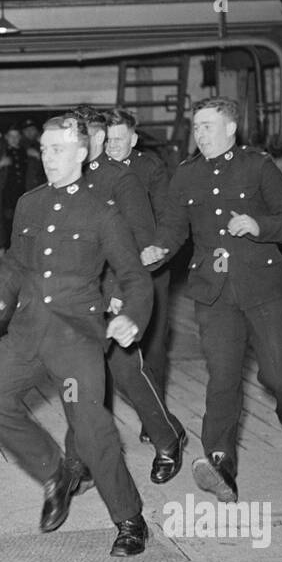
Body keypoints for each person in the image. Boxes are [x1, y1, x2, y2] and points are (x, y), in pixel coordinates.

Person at [0, 114, 153, 558]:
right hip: (28, 329)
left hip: (76, 335)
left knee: (92, 430)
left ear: (81, 152)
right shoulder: (31, 203)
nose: (48, 159)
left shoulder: (102, 212)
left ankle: (130, 520)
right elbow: (16, 261)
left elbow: (135, 277)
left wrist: (131, 317)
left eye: (57, 150)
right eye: (44, 150)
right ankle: (56, 471)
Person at [141, 97, 282, 502]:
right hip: (213, 291)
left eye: (207, 126)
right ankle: (220, 463)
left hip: (263, 288)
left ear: (231, 129)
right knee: (222, 378)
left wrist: (259, 224)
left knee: (279, 376)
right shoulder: (185, 175)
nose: (199, 134)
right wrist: (159, 250)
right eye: (196, 126)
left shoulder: (257, 166)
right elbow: (173, 227)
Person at [60, 107, 185, 486]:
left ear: (96, 139)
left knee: (127, 373)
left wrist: (117, 297)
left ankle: (168, 438)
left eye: (77, 137)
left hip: (113, 294)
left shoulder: (122, 180)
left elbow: (140, 243)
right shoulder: (67, 180)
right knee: (80, 378)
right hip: (78, 295)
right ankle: (78, 458)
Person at [104, 107, 173, 405]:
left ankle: (154, 411)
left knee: (153, 341)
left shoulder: (150, 168)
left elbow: (166, 217)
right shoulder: (94, 170)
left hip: (148, 266)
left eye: (120, 139)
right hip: (107, 271)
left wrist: (156, 252)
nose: (113, 145)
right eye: (108, 140)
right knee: (105, 339)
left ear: (133, 140)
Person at [0, 126, 31, 250]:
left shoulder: (26, 151)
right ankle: (8, 253)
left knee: (25, 224)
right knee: (8, 225)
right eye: (11, 136)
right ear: (6, 138)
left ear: (20, 138)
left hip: (25, 194)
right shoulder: (0, 153)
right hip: (7, 195)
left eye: (16, 136)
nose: (14, 139)